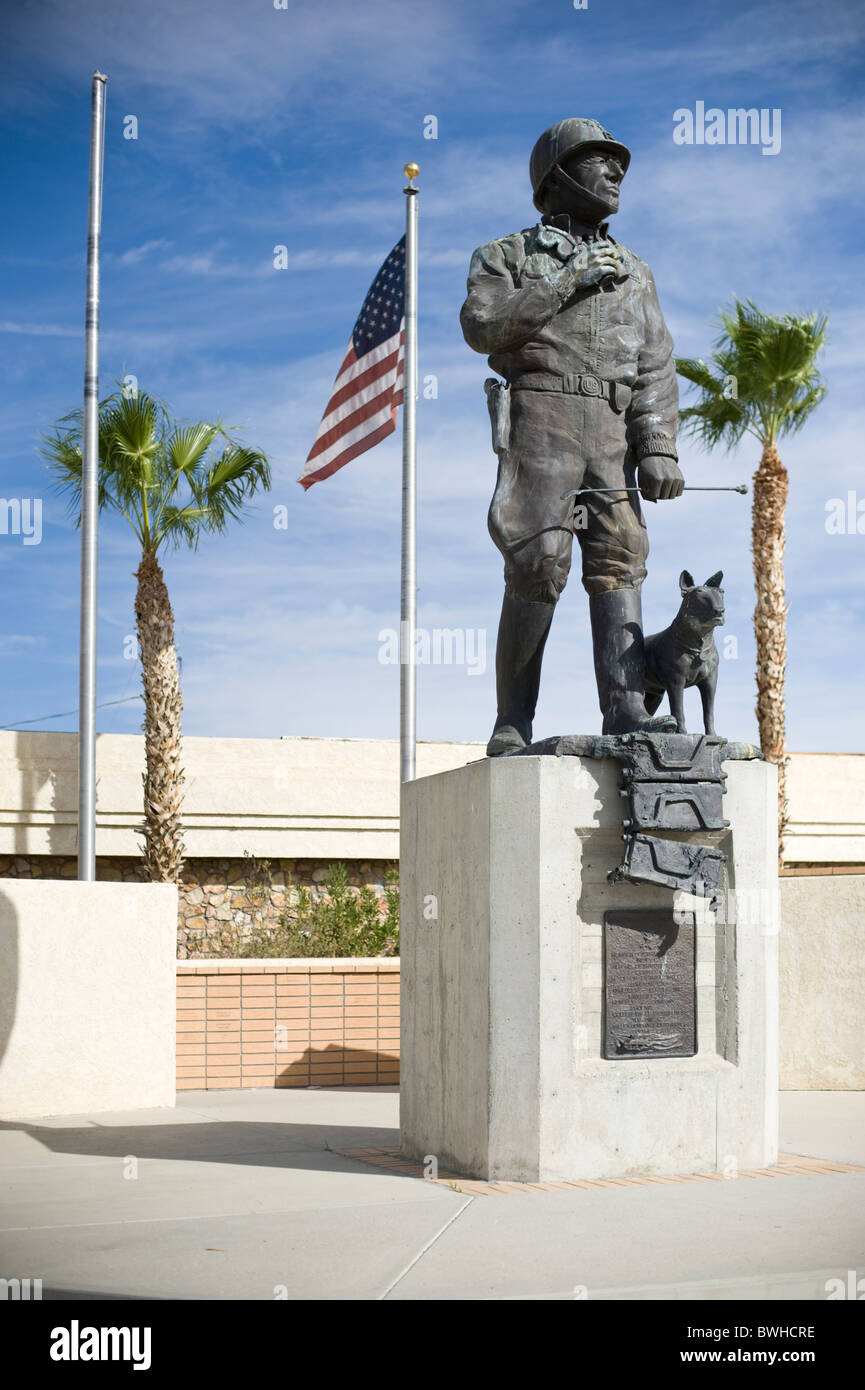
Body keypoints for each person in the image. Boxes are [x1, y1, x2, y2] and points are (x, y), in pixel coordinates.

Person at [461, 118, 684, 754]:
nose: (616, 173)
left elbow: (655, 363)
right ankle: (512, 722)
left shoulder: (636, 271)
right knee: (536, 560)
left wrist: (659, 443)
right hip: (543, 419)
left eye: (620, 164)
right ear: (558, 175)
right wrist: (567, 280)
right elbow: (483, 328)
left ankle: (626, 711)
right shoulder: (507, 256)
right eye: (600, 161)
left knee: (621, 558)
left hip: (611, 431)